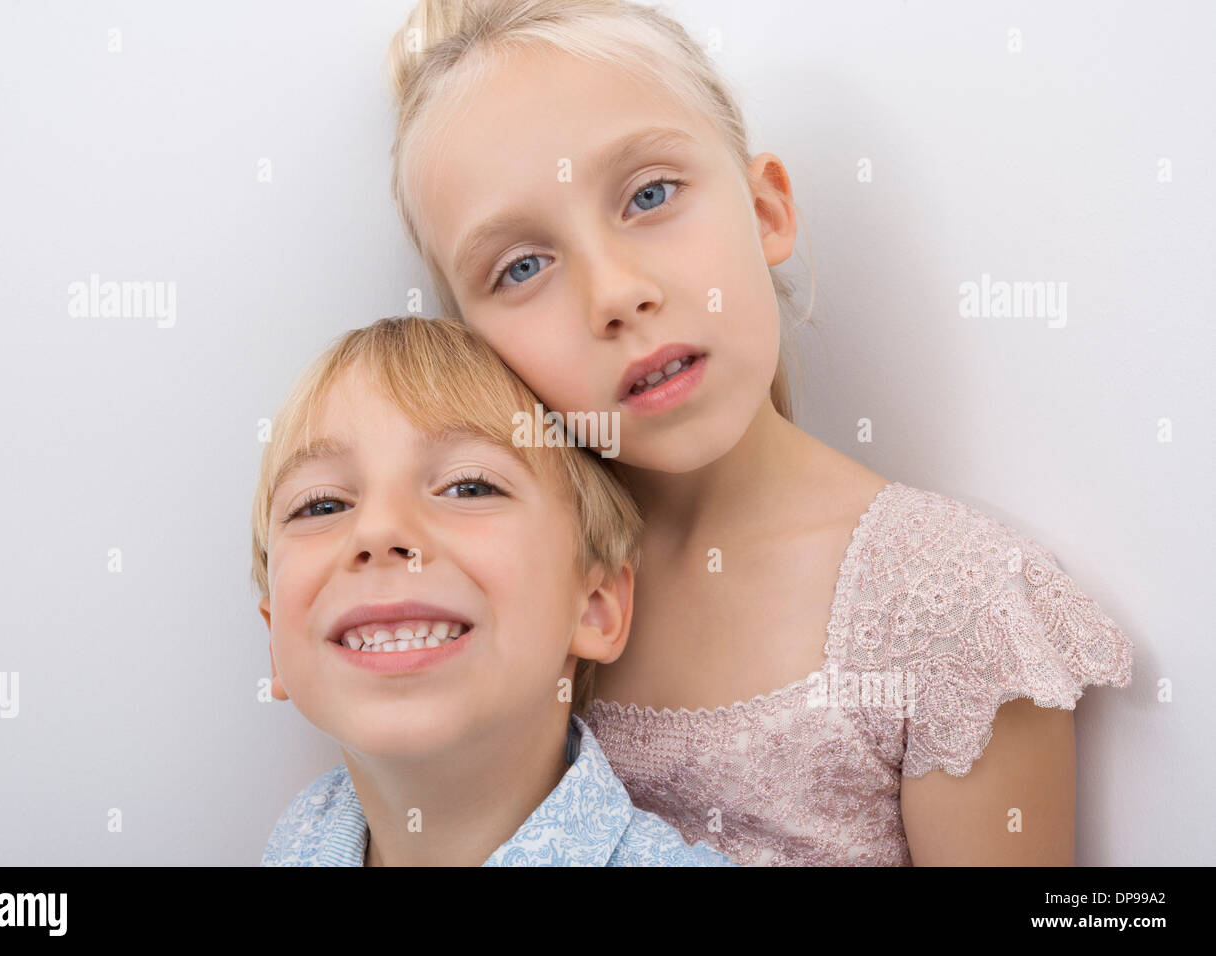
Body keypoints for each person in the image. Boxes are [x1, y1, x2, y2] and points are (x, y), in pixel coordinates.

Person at [382, 0, 1135, 864]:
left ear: (767, 208)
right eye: (522, 266)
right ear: (475, 348)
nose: (614, 294)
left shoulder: (955, 607)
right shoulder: (508, 595)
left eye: (649, 195)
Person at [252, 316, 734, 866]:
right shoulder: (298, 837)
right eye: (323, 505)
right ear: (274, 643)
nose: (379, 531)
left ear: (595, 608)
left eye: (469, 486)